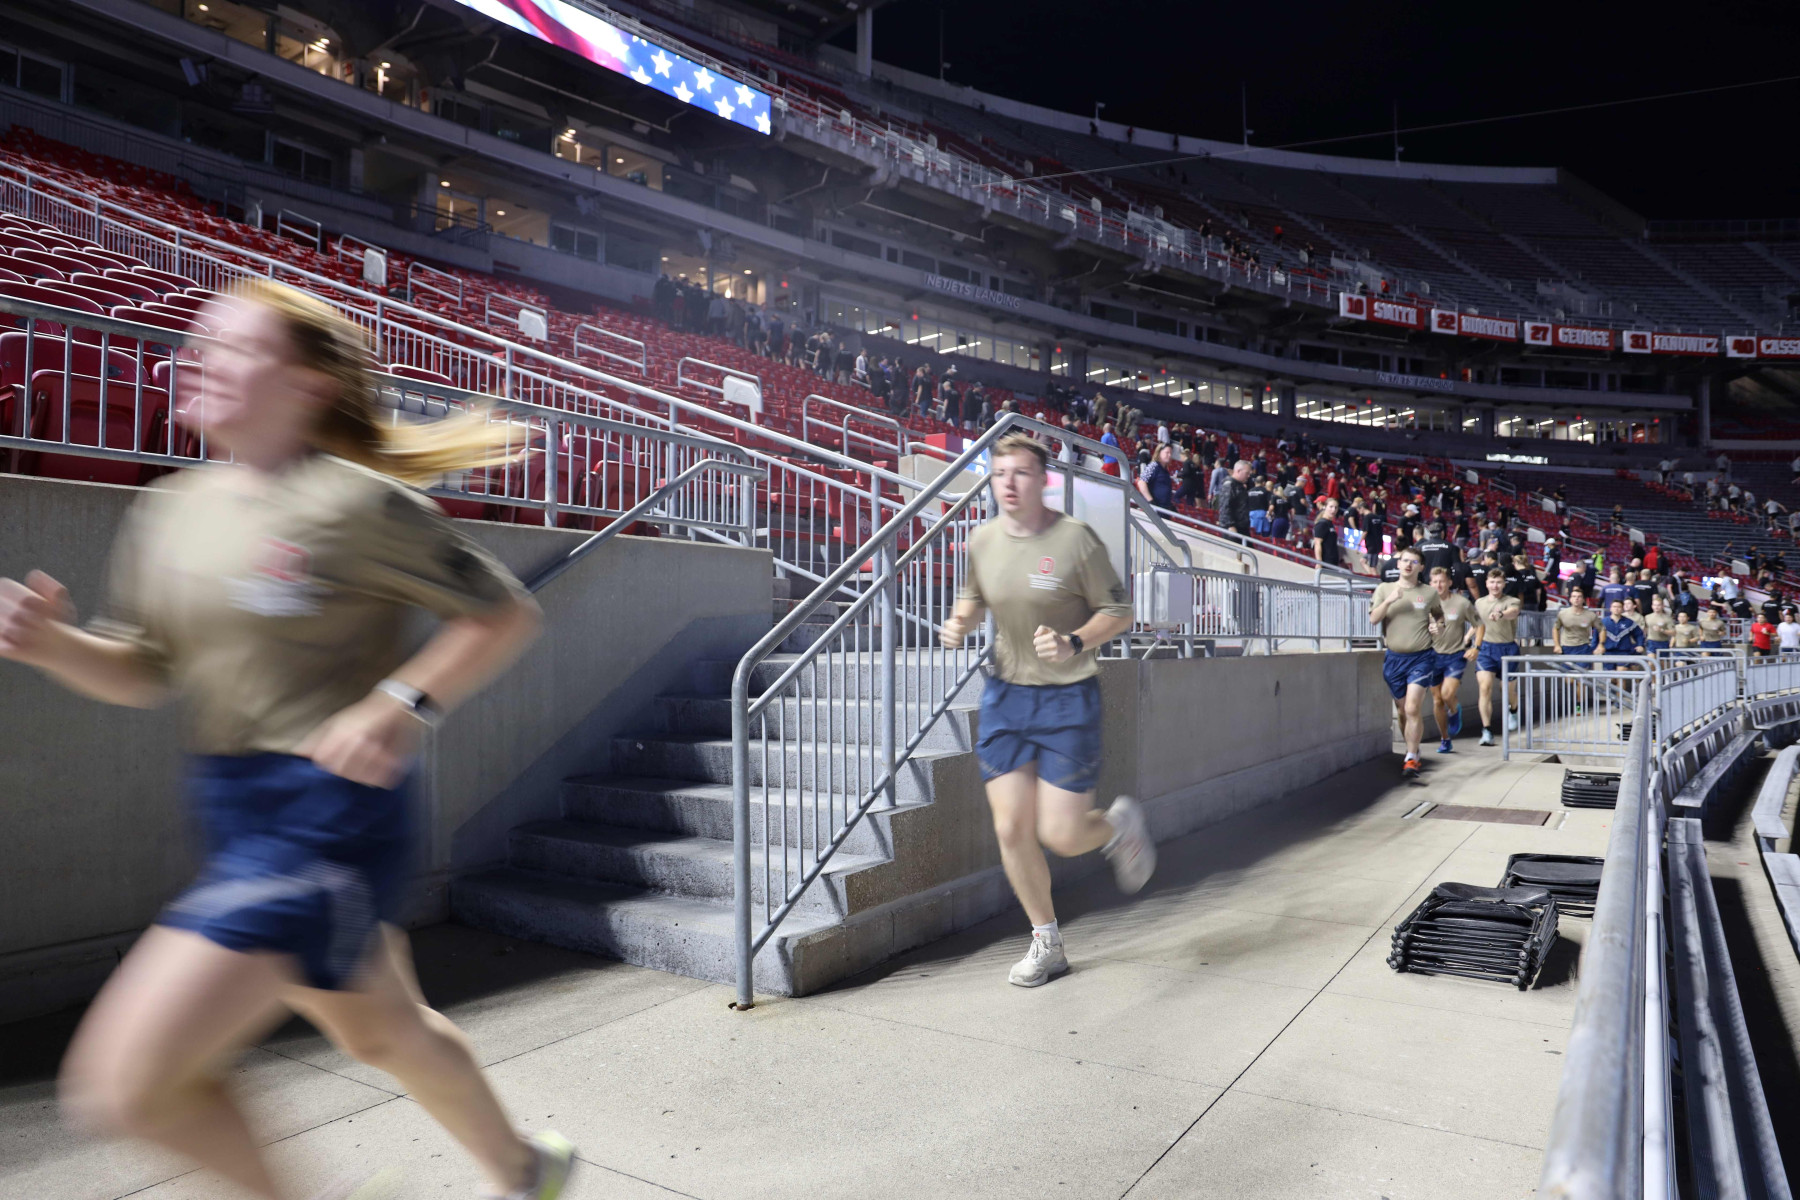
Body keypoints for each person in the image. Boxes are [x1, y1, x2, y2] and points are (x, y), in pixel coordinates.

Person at [0, 283, 575, 1200]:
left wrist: (396, 703)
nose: (199, 359)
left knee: (125, 1086)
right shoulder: (170, 512)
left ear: (305, 385)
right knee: (382, 1031)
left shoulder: (359, 505)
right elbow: (144, 668)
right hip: (232, 816)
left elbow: (503, 616)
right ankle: (528, 1171)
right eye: (197, 344)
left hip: (328, 818)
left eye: (232, 347)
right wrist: (52, 646)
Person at [939, 433, 1152, 988]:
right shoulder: (982, 540)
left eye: (1021, 473)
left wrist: (1075, 641)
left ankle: (1115, 826)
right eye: (999, 473)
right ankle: (1047, 941)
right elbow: (976, 592)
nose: (1008, 483)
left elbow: (1120, 611)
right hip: (1006, 695)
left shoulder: (1075, 539)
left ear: (1043, 479)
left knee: (1060, 834)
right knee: (1011, 827)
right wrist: (961, 620)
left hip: (1067, 699)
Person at [1368, 548, 1445, 780]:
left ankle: (1411, 756)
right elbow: (1373, 618)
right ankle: (1413, 748)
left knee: (1412, 708)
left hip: (1421, 657)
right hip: (1394, 659)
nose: (1408, 565)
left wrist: (1438, 627)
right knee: (1402, 711)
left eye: (1414, 562)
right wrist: (1390, 600)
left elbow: (1439, 617)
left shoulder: (1429, 593)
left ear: (1421, 567)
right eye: (1404, 561)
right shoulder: (1384, 589)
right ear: (1398, 564)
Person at [1427, 567, 1479, 755]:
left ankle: (1455, 710)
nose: (1438, 585)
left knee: (1447, 695)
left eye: (1442, 581)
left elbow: (1479, 624)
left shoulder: (1462, 603)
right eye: (1434, 582)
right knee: (1437, 700)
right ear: (1430, 584)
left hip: (1455, 655)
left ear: (1449, 582)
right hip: (1432, 655)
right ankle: (1445, 739)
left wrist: (1476, 647)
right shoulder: (1426, 604)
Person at [1473, 569, 1522, 746]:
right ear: (1486, 583)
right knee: (1484, 688)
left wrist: (1501, 614)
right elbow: (1477, 622)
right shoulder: (1479, 602)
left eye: (1499, 582)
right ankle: (1486, 731)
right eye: (1492, 582)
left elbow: (1514, 612)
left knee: (1506, 689)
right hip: (1486, 648)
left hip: (1508, 648)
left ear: (1504, 584)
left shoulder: (1511, 601)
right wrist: (1467, 637)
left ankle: (1513, 710)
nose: (1495, 586)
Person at [1553, 587, 1601, 656]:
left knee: (1582, 667)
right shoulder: (1562, 614)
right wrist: (1557, 645)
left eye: (1579, 597)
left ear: (1583, 600)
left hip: (1583, 647)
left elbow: (1602, 629)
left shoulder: (1591, 615)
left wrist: (1600, 645)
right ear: (1570, 599)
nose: (1576, 598)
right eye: (1574, 596)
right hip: (1566, 647)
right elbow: (1555, 628)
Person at [1601, 599, 1646, 666]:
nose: (1616, 609)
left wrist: (1640, 645)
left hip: (1623, 652)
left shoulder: (1629, 622)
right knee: (1611, 675)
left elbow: (1639, 634)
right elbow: (1596, 636)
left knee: (1621, 672)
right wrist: (1595, 647)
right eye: (1614, 607)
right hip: (1608, 652)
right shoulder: (1603, 622)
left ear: (1622, 609)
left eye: (1619, 607)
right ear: (1610, 608)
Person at [1312, 497, 1340, 568]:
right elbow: (1317, 543)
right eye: (1331, 507)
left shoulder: (1330, 524)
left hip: (1332, 562)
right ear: (1325, 507)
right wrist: (1319, 562)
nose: (1333, 510)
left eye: (1335, 507)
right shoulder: (1322, 524)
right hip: (1325, 562)